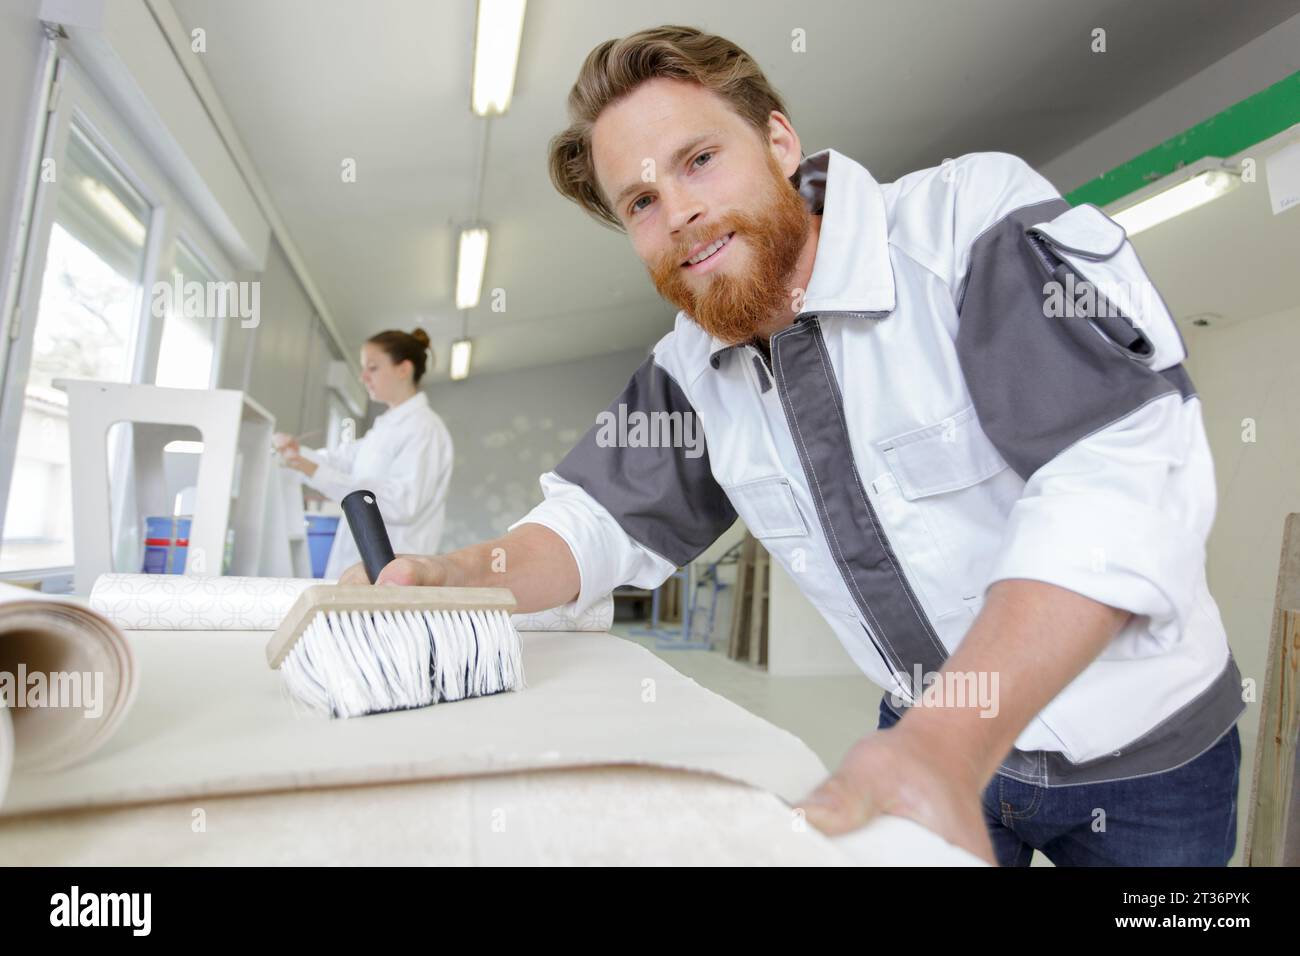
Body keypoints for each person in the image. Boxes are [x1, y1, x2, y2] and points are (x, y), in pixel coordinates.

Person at [342, 26, 1241, 867]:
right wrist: (458, 574)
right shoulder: (691, 368)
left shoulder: (962, 229)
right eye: (643, 203)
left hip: (1144, 764)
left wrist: (944, 745)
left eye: (699, 160)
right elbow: (589, 523)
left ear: (777, 142)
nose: (682, 214)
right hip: (923, 730)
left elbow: (1111, 481)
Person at [275, 328, 453, 580]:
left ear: (403, 369)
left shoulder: (423, 428)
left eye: (373, 368)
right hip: (364, 572)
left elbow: (402, 504)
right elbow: (341, 459)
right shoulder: (385, 428)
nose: (363, 377)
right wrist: (297, 453)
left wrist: (312, 469)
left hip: (395, 574)